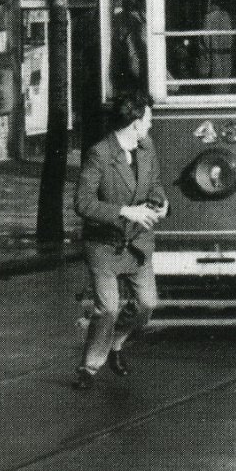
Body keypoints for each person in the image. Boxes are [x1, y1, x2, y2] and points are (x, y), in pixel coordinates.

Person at [72, 89, 167, 389]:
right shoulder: (99, 155)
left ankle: (116, 344)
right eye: (148, 120)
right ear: (135, 123)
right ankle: (89, 368)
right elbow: (83, 203)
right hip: (104, 244)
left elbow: (155, 187)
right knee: (108, 308)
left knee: (146, 304)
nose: (150, 127)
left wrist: (162, 204)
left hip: (137, 243)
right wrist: (126, 211)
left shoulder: (146, 148)